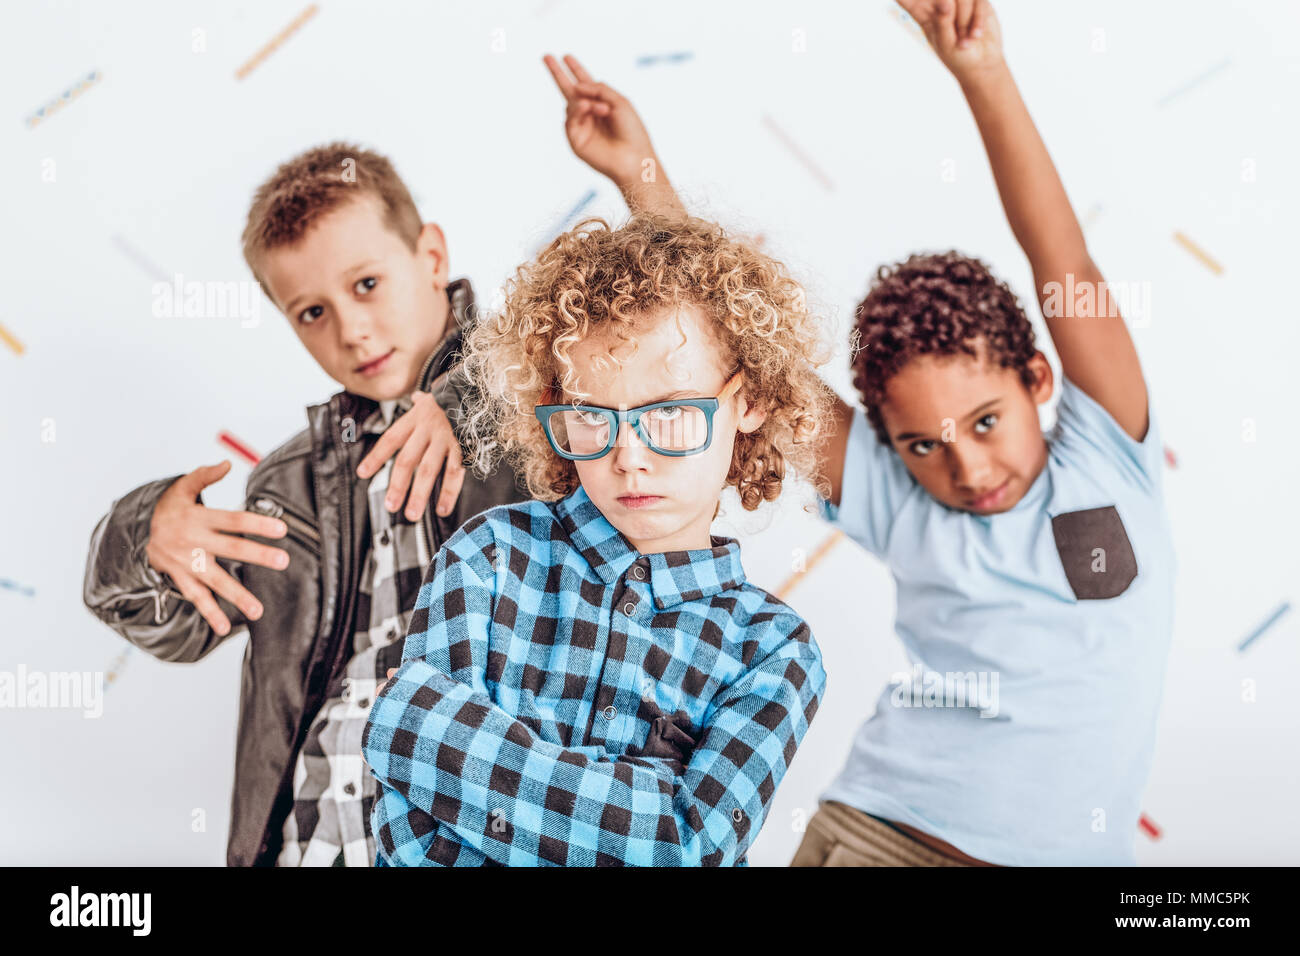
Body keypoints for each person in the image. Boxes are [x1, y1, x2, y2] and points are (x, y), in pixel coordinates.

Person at [81, 55, 685, 866]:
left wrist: (471, 399)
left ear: (431, 257)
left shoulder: (544, 394)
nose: (352, 331)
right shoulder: (288, 484)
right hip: (310, 841)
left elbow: (686, 344)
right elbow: (177, 627)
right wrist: (140, 538)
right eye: (313, 311)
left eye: (368, 284)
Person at [792, 0, 1174, 866]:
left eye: (986, 422)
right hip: (878, 841)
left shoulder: (1107, 451)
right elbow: (760, 359)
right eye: (922, 444)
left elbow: (1063, 264)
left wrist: (983, 73)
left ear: (1037, 377)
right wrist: (642, 179)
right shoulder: (895, 502)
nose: (965, 465)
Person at [361, 213, 832, 865]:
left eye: (668, 413)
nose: (628, 457)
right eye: (589, 415)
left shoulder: (773, 651)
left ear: (747, 399)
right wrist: (634, 804)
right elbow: (405, 812)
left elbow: (684, 847)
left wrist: (448, 743)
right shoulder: (488, 556)